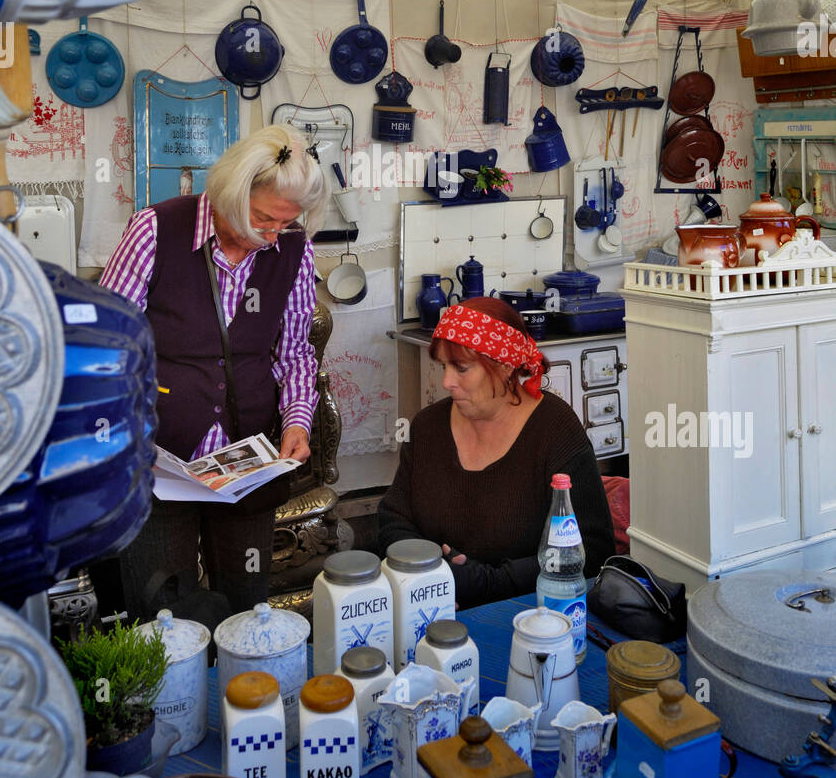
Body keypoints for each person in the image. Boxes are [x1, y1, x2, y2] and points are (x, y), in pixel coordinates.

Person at [99, 125, 329, 621]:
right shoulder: (155, 231)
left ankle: (240, 695)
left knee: (249, 606)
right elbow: (106, 345)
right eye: (264, 219)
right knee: (162, 609)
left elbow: (293, 353)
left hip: (246, 460)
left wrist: (295, 422)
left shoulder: (290, 247)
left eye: (286, 224)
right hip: (158, 461)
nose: (272, 236)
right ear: (231, 192)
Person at [377, 297, 615, 609]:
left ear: (504, 366)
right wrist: (428, 571)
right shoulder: (428, 427)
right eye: (443, 367)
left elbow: (592, 550)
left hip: (528, 612)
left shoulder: (555, 431)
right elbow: (393, 517)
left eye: (461, 368)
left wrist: (489, 582)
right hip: (432, 603)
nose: (447, 382)